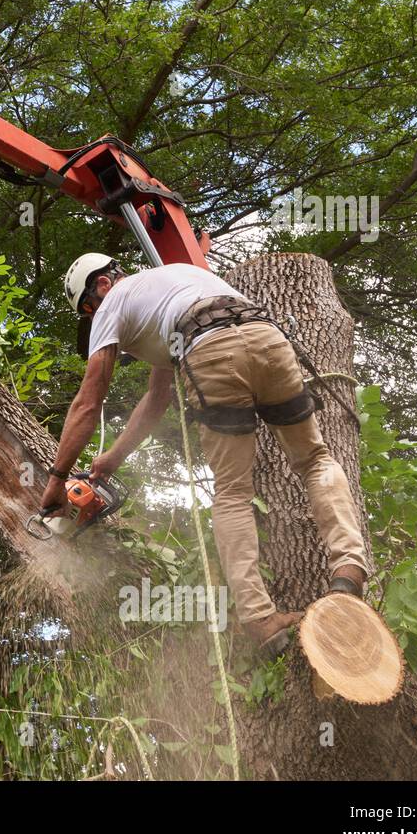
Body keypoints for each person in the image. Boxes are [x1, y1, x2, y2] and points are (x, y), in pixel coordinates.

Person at [39, 253, 370, 656]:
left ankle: (260, 620)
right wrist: (113, 458)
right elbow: (157, 398)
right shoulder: (174, 283)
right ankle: (350, 567)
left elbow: (88, 403)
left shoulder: (113, 302)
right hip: (267, 337)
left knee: (232, 490)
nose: (94, 319)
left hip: (210, 350)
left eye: (88, 310)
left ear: (102, 285)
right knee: (315, 459)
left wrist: (56, 480)